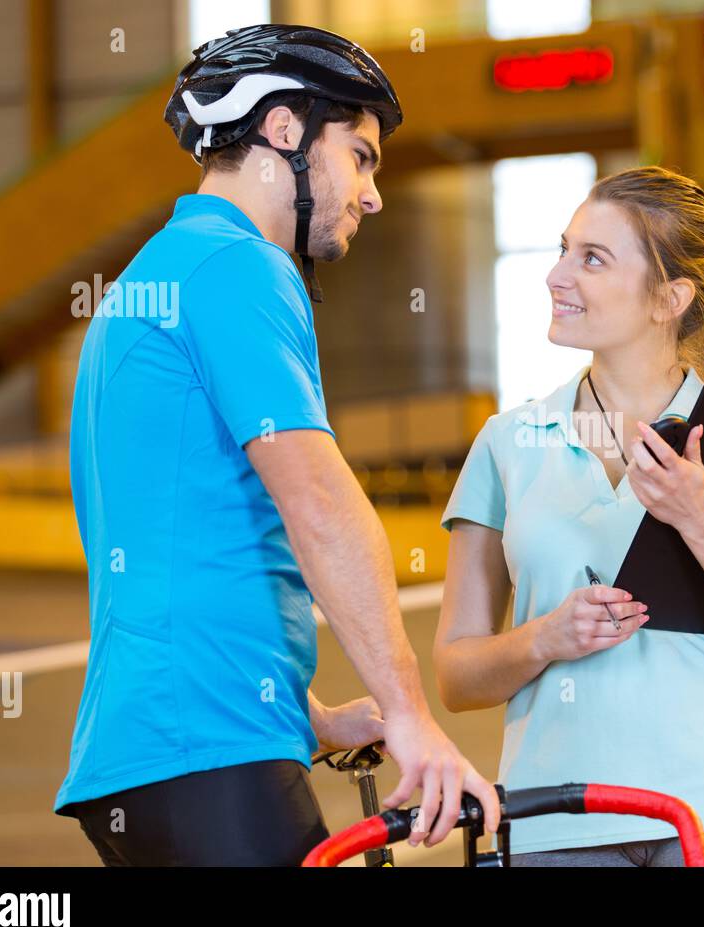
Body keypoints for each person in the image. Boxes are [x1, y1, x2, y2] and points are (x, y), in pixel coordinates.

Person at [55, 24, 498, 866]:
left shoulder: (154, 277)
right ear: (285, 131)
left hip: (159, 747)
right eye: (361, 156)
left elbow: (184, 539)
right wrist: (409, 714)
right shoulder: (237, 267)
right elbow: (320, 504)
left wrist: (312, 717)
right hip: (206, 746)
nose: (372, 195)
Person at [434, 166, 704, 866]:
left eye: (591, 258)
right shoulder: (507, 442)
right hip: (557, 820)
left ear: (670, 298)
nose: (557, 275)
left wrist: (698, 515)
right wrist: (545, 638)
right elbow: (457, 676)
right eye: (562, 249)